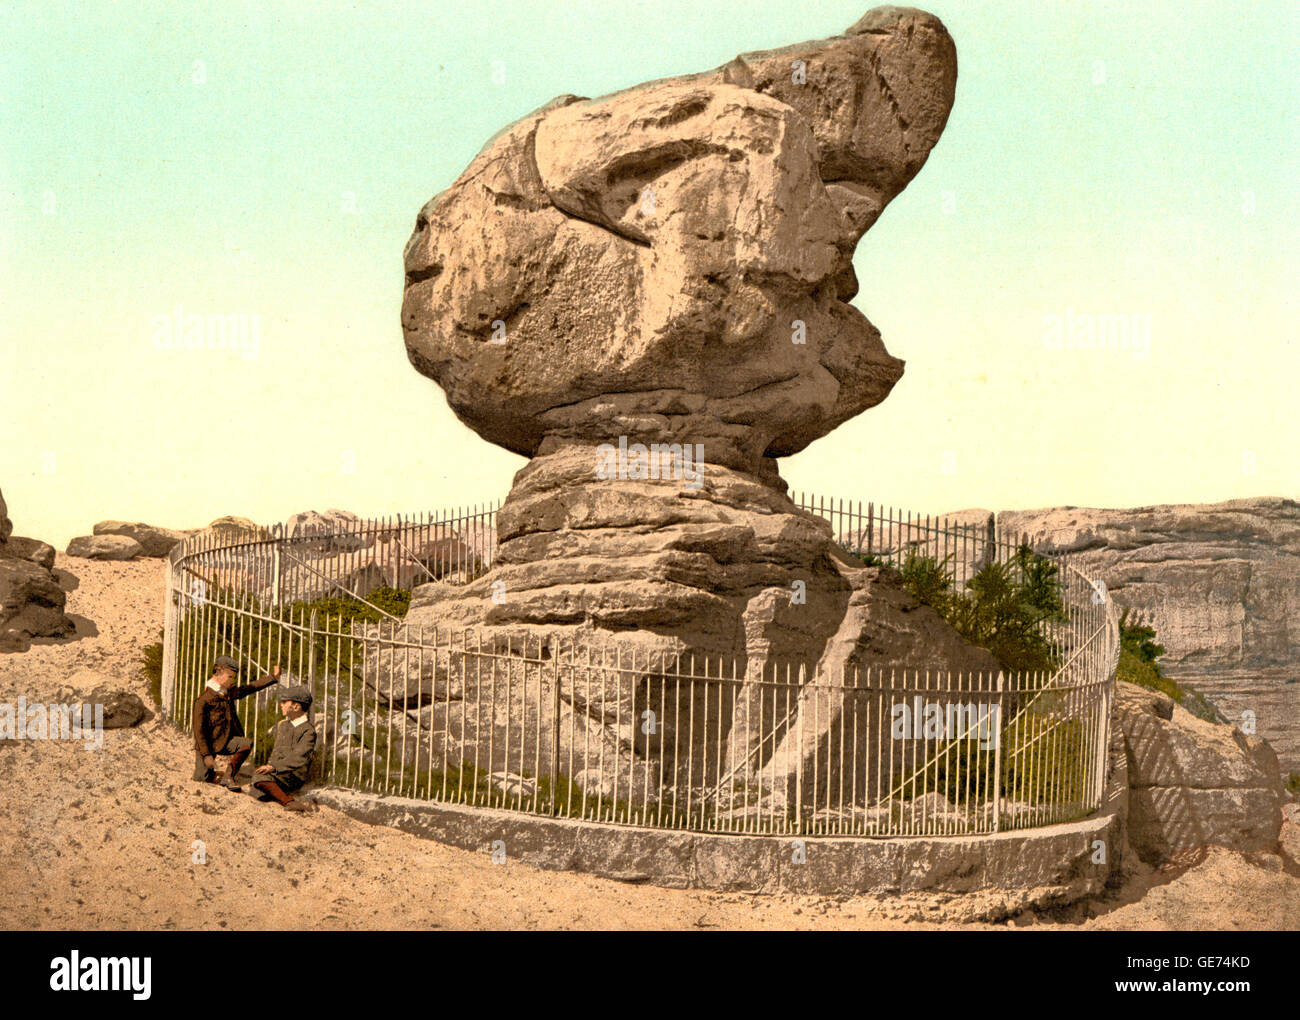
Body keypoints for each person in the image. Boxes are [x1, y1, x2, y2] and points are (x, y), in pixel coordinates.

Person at [192, 656, 281, 790]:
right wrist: (206, 755)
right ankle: (212, 773)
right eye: (230, 676)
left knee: (246, 743)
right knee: (201, 778)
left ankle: (229, 776)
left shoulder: (227, 692)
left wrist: (273, 677)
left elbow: (250, 688)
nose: (232, 680)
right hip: (209, 745)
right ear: (218, 672)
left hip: (224, 741)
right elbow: (199, 732)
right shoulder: (204, 700)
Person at [248, 685, 317, 813]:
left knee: (258, 779)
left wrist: (273, 767)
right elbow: (276, 751)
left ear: (296, 706)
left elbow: (299, 758)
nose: (281, 704)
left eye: (284, 702)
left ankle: (289, 802)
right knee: (255, 785)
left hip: (293, 775)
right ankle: (275, 794)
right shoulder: (283, 725)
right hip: (277, 773)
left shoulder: (308, 731)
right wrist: (269, 766)